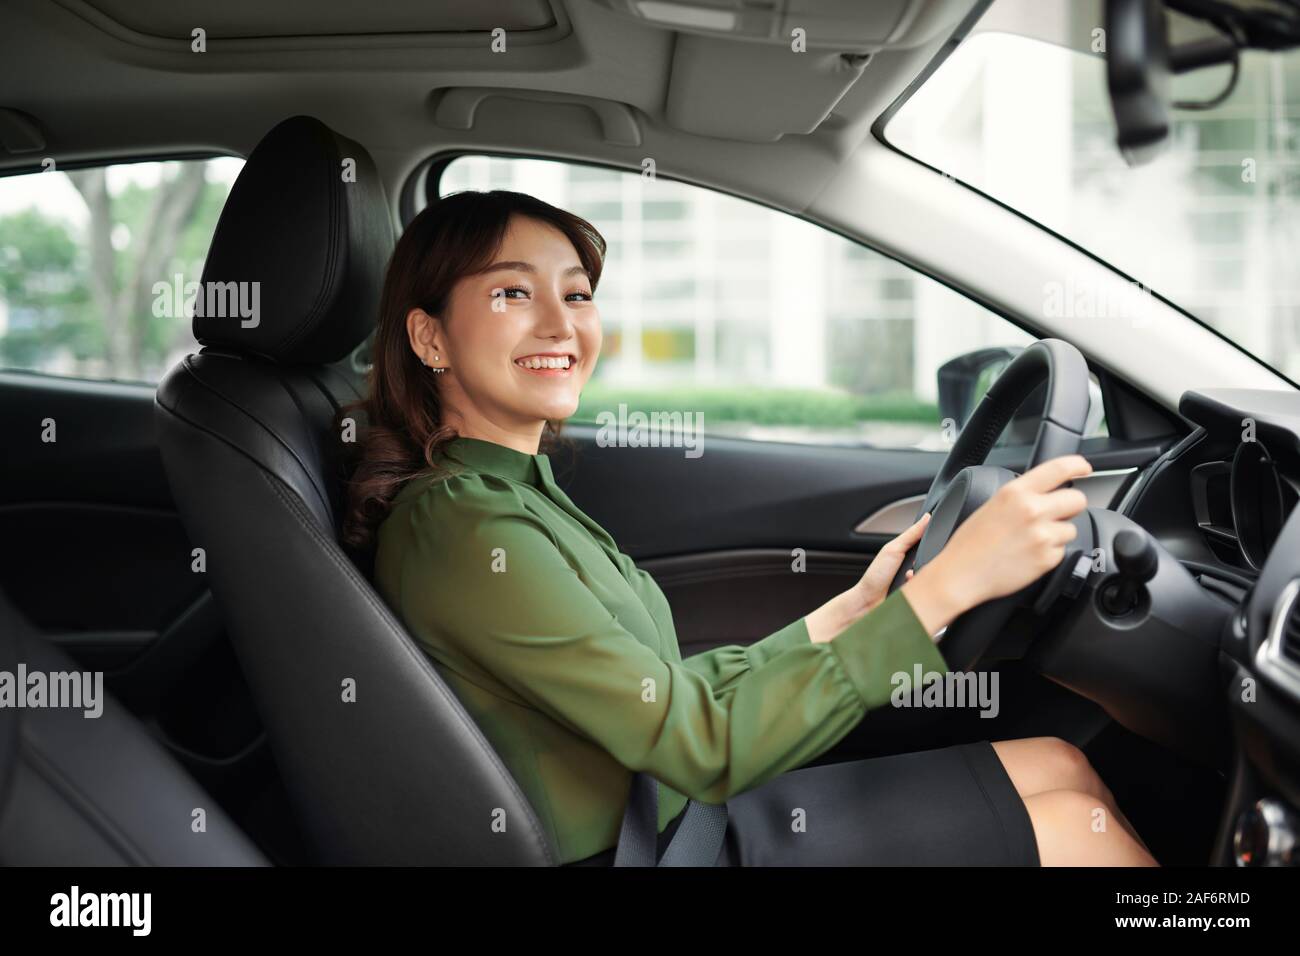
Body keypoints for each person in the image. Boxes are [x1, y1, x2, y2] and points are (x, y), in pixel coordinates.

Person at [338, 189, 1156, 867]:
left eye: (578, 293)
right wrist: (946, 590)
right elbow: (697, 741)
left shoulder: (513, 490)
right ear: (429, 336)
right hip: (653, 849)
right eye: (514, 292)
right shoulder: (465, 528)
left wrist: (843, 617)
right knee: (1072, 837)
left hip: (674, 816)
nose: (561, 324)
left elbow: (666, 690)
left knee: (1062, 766)